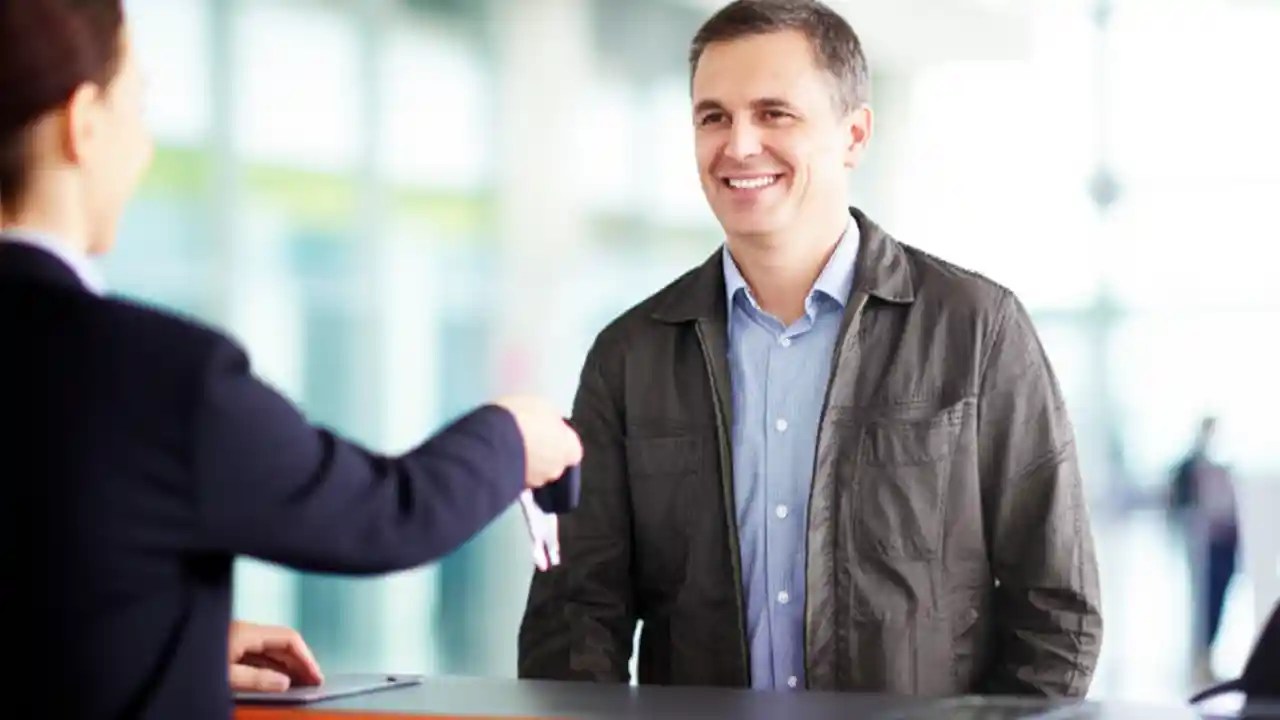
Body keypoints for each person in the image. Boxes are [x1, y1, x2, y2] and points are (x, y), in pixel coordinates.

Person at [0, 2, 582, 718]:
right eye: (137, 107)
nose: (143, 146)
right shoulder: (154, 375)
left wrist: (165, 631)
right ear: (83, 124)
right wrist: (514, 438)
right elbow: (383, 513)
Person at [519, 0, 1101, 698]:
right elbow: (575, 616)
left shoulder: (978, 330)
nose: (738, 145)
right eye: (713, 117)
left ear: (854, 135)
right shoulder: (630, 356)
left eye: (774, 113)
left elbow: (1057, 611)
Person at [1169, 416, 1240, 685]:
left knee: (1217, 601)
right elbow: (1179, 506)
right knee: (1204, 604)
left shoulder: (1222, 469)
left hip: (1224, 544)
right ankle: (1199, 662)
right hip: (1203, 545)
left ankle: (1207, 659)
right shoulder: (1189, 468)